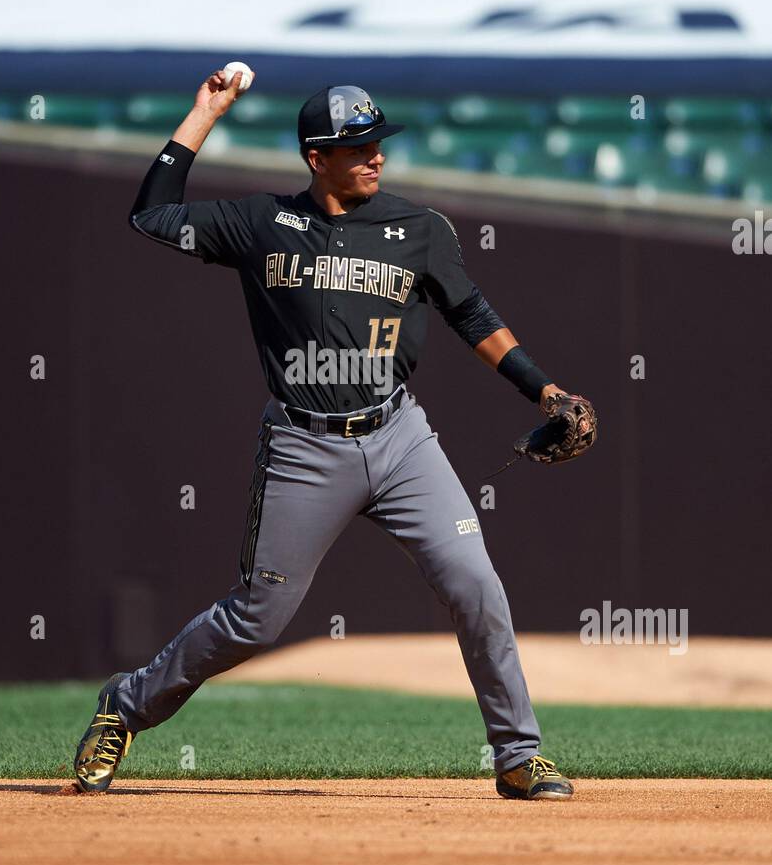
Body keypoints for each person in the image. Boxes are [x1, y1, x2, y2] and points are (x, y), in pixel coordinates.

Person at [74, 70, 579, 801]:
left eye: (378, 143)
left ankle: (517, 754)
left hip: (402, 438)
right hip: (306, 446)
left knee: (475, 583)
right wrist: (202, 114)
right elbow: (151, 214)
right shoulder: (261, 223)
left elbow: (473, 316)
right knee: (256, 619)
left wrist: (545, 388)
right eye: (358, 147)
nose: (376, 157)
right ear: (317, 157)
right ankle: (123, 707)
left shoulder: (421, 230)